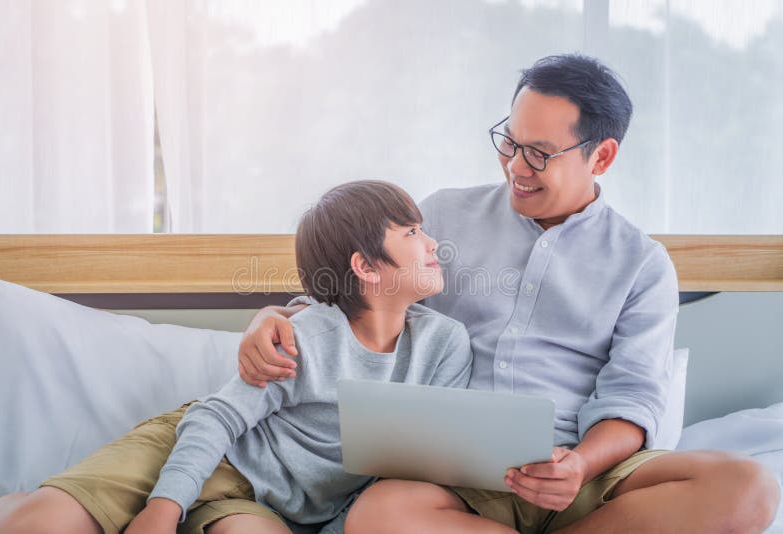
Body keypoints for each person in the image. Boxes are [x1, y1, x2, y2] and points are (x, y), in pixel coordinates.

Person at [237, 55, 781, 533]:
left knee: (750, 488)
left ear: (603, 156)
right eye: (510, 143)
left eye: (540, 154)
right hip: (456, 476)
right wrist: (275, 315)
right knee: (376, 517)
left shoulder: (642, 264)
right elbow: (362, 304)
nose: (516, 167)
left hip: (586, 474)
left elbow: (633, 400)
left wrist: (578, 467)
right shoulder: (444, 215)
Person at [0, 181, 473, 534]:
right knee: (44, 525)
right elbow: (215, 418)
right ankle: (5, 506)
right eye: (410, 233)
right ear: (365, 266)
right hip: (201, 454)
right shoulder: (309, 335)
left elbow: (404, 473)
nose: (432, 245)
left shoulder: (445, 346)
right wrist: (164, 508)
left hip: (267, 505)